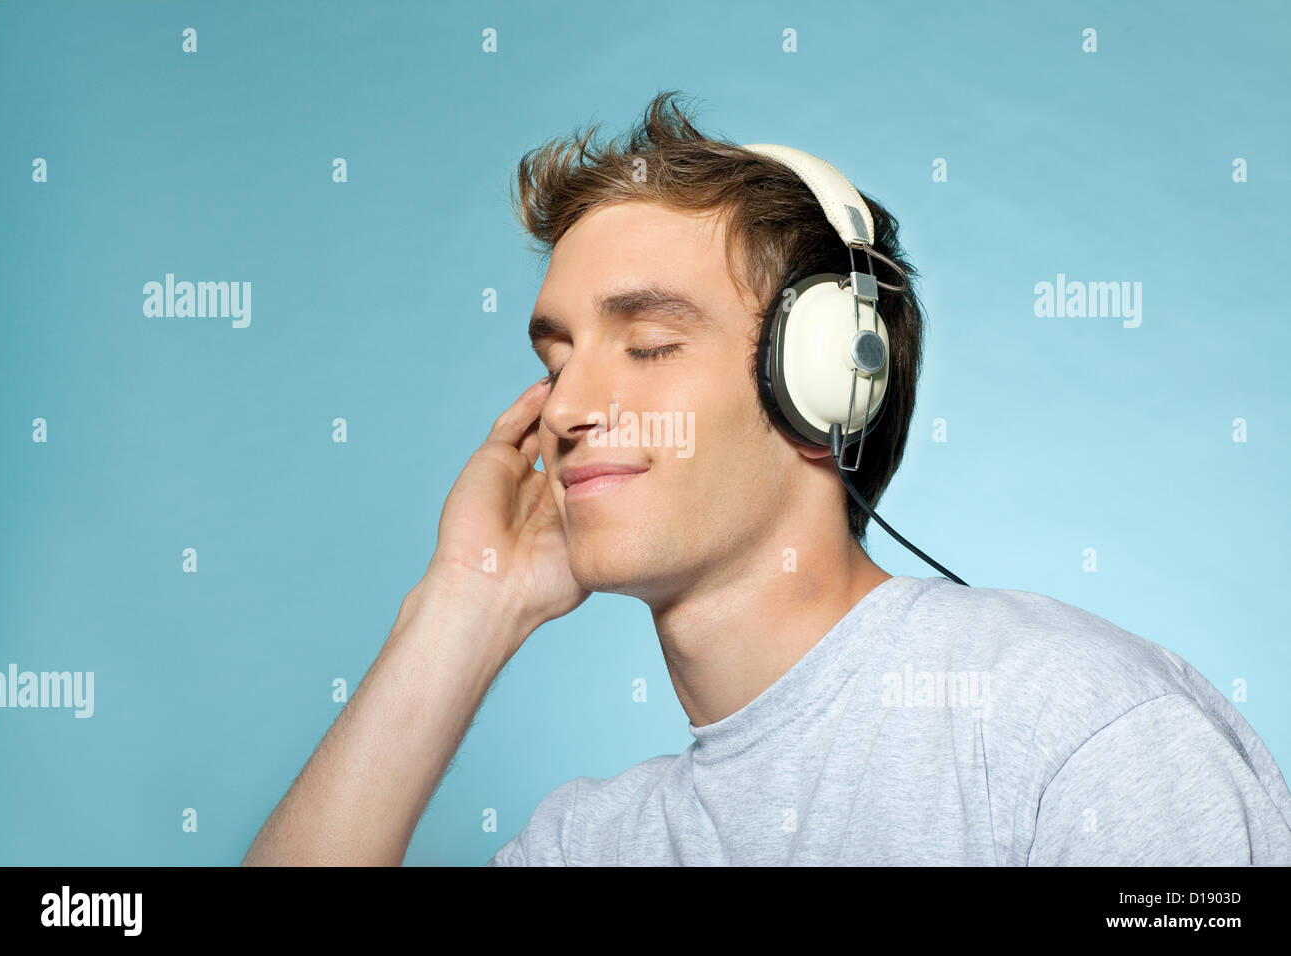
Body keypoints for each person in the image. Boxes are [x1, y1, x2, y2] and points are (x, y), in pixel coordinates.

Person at [242, 91, 1291, 866]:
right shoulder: (587, 845)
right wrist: (465, 604)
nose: (563, 411)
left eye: (647, 342)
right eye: (554, 360)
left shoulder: (1076, 730)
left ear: (826, 375)